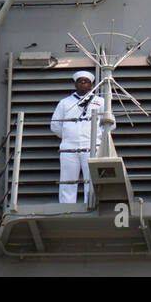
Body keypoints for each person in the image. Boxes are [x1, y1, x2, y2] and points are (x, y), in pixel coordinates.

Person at [50, 70, 104, 205]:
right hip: (69, 147)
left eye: (86, 81)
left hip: (91, 146)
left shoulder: (100, 101)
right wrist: (69, 137)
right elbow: (55, 125)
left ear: (91, 85)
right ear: (76, 84)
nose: (83, 84)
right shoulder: (65, 103)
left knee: (91, 179)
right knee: (67, 180)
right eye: (80, 81)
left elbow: (109, 124)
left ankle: (90, 205)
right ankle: (66, 207)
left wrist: (96, 138)